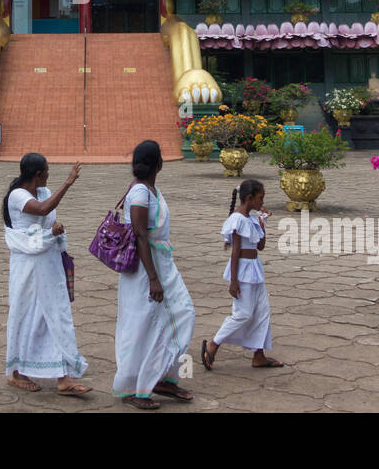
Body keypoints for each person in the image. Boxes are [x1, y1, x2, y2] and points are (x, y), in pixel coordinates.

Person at [113, 139, 195, 409]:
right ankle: (135, 387)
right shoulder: (140, 193)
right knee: (143, 325)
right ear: (158, 163)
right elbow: (139, 234)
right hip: (146, 269)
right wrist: (153, 278)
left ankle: (160, 377)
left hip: (161, 263)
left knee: (180, 314)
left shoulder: (150, 189)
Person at [3, 153, 90, 395]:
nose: (49, 174)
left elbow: (48, 216)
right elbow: (42, 211)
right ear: (37, 174)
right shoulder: (17, 195)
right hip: (28, 269)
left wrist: (55, 231)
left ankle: (63, 378)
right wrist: (68, 183)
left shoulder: (43, 191)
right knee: (26, 315)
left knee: (56, 315)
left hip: (48, 265)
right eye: (47, 171)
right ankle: (17, 372)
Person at [200, 179, 283, 371]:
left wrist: (263, 224)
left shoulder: (253, 219)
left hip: (255, 268)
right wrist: (233, 281)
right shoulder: (237, 220)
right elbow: (235, 251)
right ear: (249, 198)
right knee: (243, 314)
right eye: (260, 198)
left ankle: (259, 355)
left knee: (262, 311)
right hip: (243, 271)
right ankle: (213, 344)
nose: (262, 202)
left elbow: (260, 247)